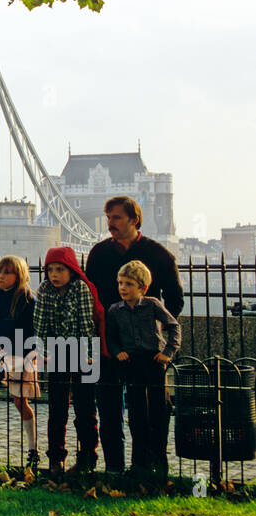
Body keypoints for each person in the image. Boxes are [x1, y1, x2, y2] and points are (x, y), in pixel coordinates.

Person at [85, 195, 184, 473]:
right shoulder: (99, 253)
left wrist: (157, 328)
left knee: (152, 409)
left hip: (146, 348)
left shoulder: (158, 254)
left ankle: (149, 464)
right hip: (107, 342)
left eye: (116, 217)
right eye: (108, 218)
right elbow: (90, 295)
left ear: (134, 220)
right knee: (108, 406)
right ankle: (114, 467)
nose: (110, 224)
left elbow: (175, 299)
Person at [34, 245, 106, 479]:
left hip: (83, 349)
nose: (54, 275)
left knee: (85, 408)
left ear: (72, 270)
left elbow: (86, 324)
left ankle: (87, 457)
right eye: (50, 270)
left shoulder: (81, 289)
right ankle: (56, 458)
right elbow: (40, 325)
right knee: (57, 408)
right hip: (57, 351)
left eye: (60, 269)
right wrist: (42, 351)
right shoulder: (44, 290)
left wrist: (86, 353)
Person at [106, 259, 181, 482]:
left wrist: (168, 351)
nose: (122, 288)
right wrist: (117, 351)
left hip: (155, 361)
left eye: (128, 284)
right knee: (137, 413)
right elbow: (109, 336)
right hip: (132, 363)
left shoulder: (152, 305)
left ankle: (159, 461)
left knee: (158, 411)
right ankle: (139, 464)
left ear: (142, 288)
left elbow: (174, 326)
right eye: (120, 283)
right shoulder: (114, 310)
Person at [0, 255, 39, 470]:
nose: (1, 277)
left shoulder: (28, 298)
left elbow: (33, 330)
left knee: (21, 402)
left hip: (24, 353)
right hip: (5, 351)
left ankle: (33, 448)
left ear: (18, 275)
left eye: (7, 272)